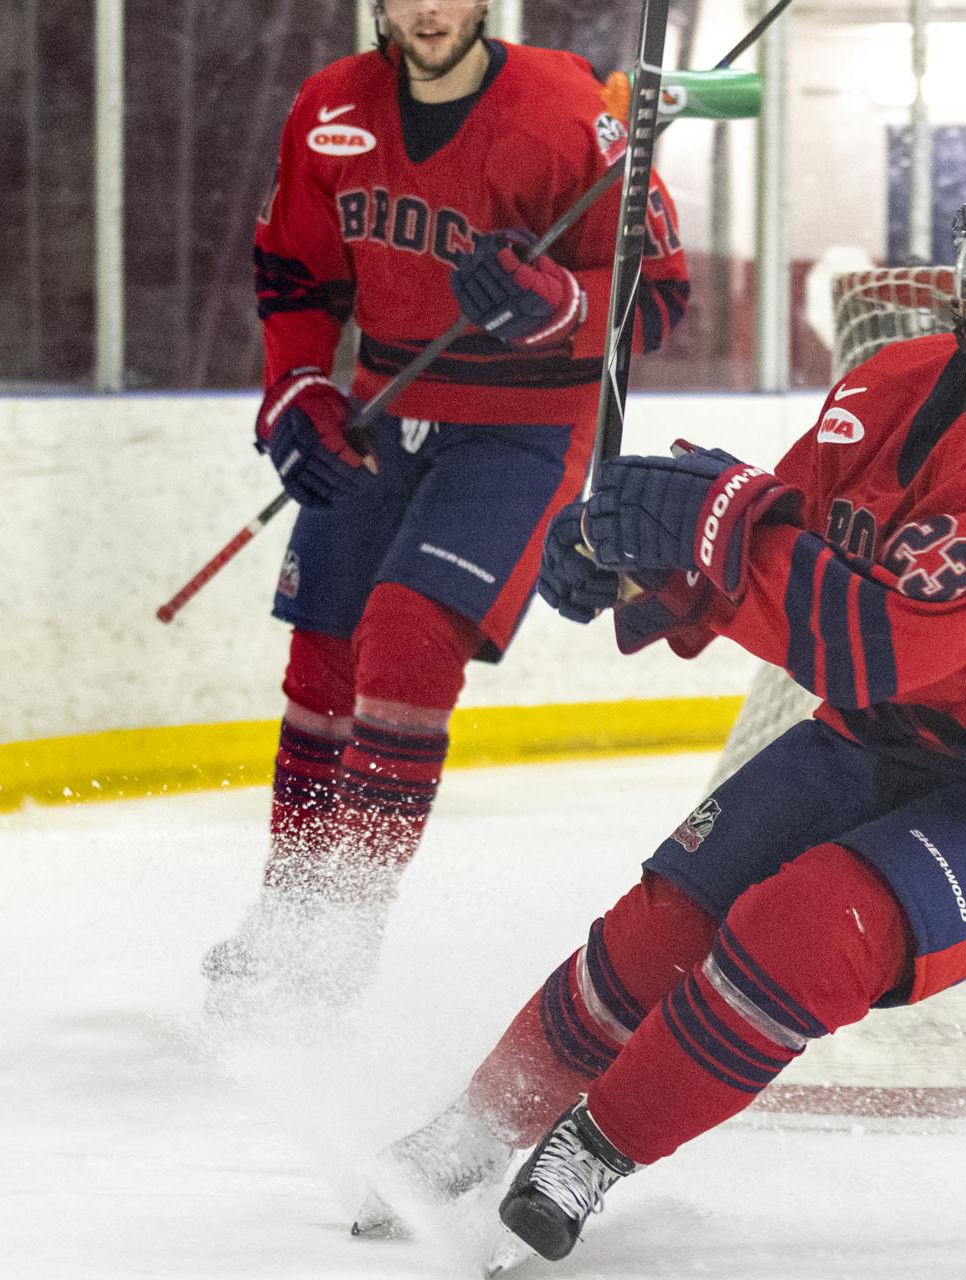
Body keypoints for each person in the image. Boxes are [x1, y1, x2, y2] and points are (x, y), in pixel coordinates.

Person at [353, 160, 966, 1269]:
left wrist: (702, 530)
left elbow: (877, 639)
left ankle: (591, 1151)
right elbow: (788, 523)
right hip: (888, 734)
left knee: (800, 930)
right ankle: (474, 1130)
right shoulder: (890, 381)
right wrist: (635, 567)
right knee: (658, 928)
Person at [203, 0, 691, 1005]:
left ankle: (340, 943)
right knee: (321, 658)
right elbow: (295, 275)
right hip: (385, 405)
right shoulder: (330, 107)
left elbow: (662, 296)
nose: (429, 9)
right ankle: (290, 912)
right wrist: (297, 390)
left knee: (407, 637)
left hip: (525, 426)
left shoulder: (567, 108)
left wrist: (562, 306)